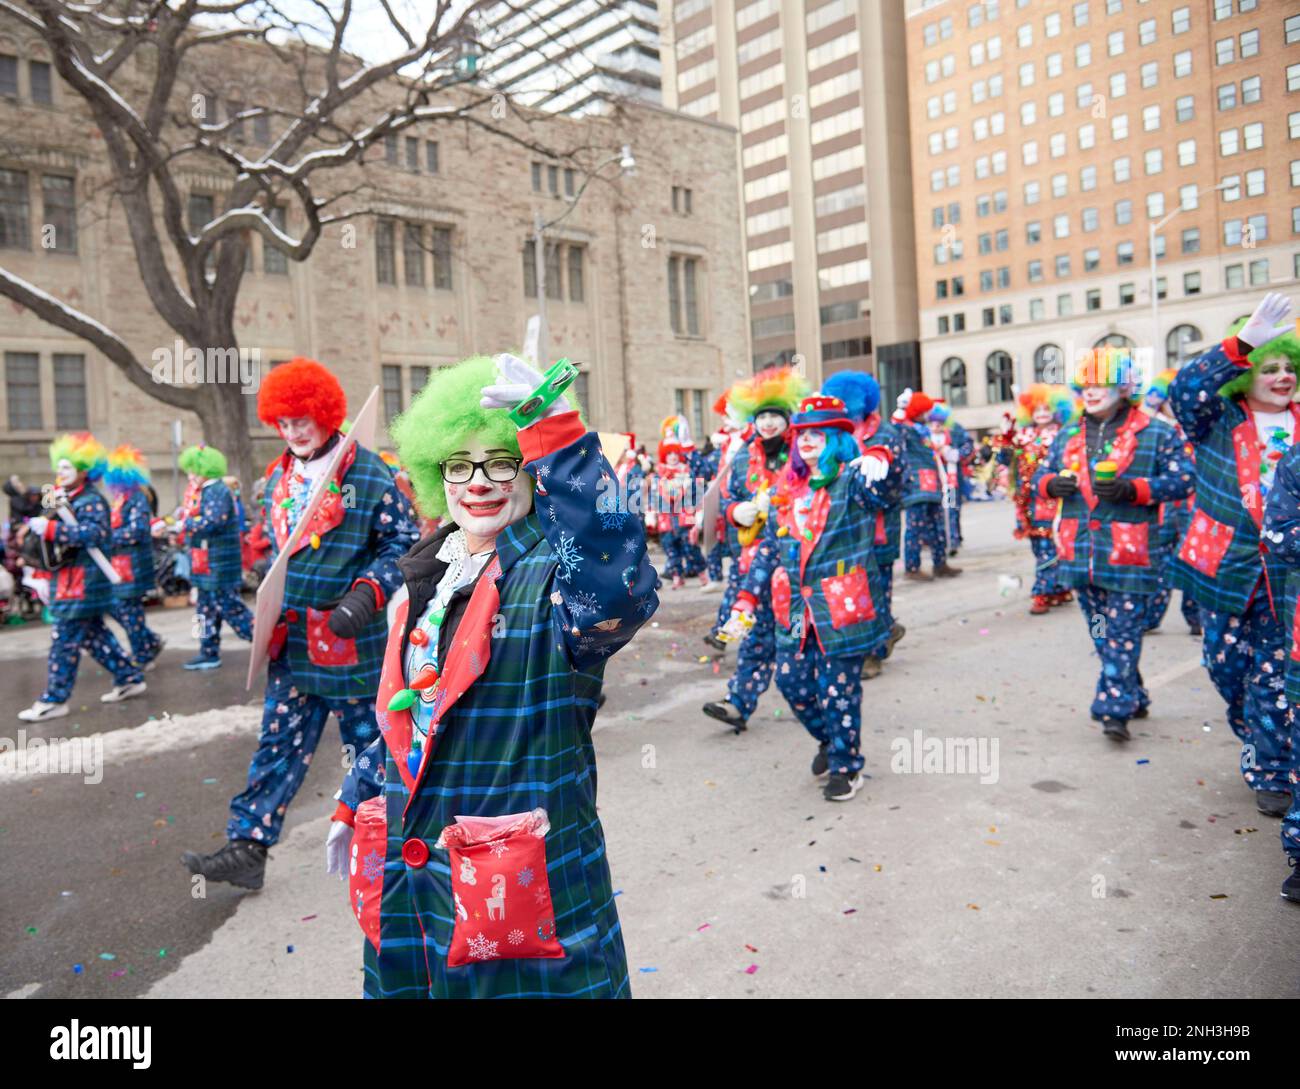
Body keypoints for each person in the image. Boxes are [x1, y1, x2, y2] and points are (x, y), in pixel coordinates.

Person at [323, 353, 658, 997]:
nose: (478, 481)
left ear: (530, 471)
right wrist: (358, 791)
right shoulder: (428, 573)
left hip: (523, 904)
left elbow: (619, 587)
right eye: (458, 464)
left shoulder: (552, 580)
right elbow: (417, 713)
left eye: (500, 462)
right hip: (414, 895)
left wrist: (563, 444)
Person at [182, 358, 418, 890]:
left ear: (325, 412)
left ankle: (398, 848)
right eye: (283, 423)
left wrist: (367, 594)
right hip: (295, 641)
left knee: (372, 748)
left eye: (301, 420)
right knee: (279, 743)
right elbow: (277, 549)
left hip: (353, 641)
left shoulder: (367, 472)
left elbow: (402, 544)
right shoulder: (278, 476)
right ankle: (248, 844)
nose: (292, 432)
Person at [723, 394, 893, 800]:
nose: (807, 441)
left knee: (839, 690)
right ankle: (830, 741)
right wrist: (746, 599)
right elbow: (768, 549)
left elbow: (888, 487)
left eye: (819, 434)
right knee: (791, 682)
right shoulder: (788, 490)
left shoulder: (853, 480)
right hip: (795, 609)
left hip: (841, 605)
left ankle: (847, 765)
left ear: (836, 439)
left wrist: (881, 453)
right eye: (803, 435)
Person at [1170, 292, 1299, 815]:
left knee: (1272, 675)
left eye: (1289, 366)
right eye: (1271, 367)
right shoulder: (1216, 418)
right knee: (1225, 666)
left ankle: (1271, 768)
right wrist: (1242, 343)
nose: (1283, 376)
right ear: (1248, 374)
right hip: (1226, 566)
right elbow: (1186, 389)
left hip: (1285, 574)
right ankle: (1259, 736)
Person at [1033, 347, 1194, 740]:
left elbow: (1184, 479)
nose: (1092, 391)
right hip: (1080, 554)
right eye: (1087, 383)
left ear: (1123, 387)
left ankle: (1113, 709)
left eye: (1102, 382)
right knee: (1103, 631)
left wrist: (1134, 489)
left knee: (1121, 631)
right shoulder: (1068, 433)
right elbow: (1040, 475)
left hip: (1128, 554)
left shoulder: (1156, 430)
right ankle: (1132, 692)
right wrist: (1051, 484)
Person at [701, 365, 809, 732]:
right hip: (755, 560)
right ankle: (738, 702)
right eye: (761, 415)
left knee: (798, 638)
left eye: (774, 416)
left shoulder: (804, 450)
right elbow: (727, 497)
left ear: (786, 418)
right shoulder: (745, 455)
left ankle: (817, 705)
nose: (767, 423)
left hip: (796, 563)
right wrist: (735, 511)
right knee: (755, 636)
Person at [17, 434, 147, 721]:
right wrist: (39, 520)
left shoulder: (91, 499)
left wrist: (51, 530)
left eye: (67, 467)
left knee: (64, 639)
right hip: (66, 578)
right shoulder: (61, 493)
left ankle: (55, 699)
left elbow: (96, 533)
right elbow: (43, 513)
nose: (61, 472)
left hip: (84, 581)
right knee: (93, 635)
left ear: (84, 470)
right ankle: (129, 677)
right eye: (59, 467)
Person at [822, 370, 907, 678]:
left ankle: (874, 653)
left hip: (879, 530)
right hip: (844, 531)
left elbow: (899, 481)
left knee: (877, 590)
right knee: (854, 590)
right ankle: (883, 633)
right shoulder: (834, 434)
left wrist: (872, 486)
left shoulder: (885, 434)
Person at [991, 384, 1076, 615]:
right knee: (1040, 546)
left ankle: (1042, 592)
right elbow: (1004, 457)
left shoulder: (1063, 434)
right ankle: (1058, 586)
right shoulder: (1023, 435)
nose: (1041, 413)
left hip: (1053, 496)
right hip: (1027, 499)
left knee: (1051, 543)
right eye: (1036, 409)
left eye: (1046, 408)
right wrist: (1006, 435)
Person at [177, 444, 253, 670]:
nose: (190, 475)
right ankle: (206, 651)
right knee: (202, 612)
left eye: (193, 470)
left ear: (205, 470)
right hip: (204, 563)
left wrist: (185, 524)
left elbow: (212, 522)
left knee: (231, 607)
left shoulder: (217, 490)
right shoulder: (203, 492)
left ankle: (267, 643)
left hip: (219, 564)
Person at [1140, 370, 1201, 636]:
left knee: (1194, 560)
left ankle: (1196, 616)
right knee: (1159, 562)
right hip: (1164, 508)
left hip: (1195, 506)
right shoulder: (1156, 430)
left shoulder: (1201, 426)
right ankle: (1150, 616)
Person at [103, 445, 163, 670]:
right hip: (119, 566)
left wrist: (106, 537)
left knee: (131, 612)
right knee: (120, 609)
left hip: (133, 565)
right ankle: (150, 642)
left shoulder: (137, 497)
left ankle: (142, 654)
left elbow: (138, 530)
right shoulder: (119, 499)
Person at [898, 390, 960, 581]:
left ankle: (940, 564)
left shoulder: (924, 430)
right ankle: (912, 567)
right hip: (916, 485)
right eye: (924, 411)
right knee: (915, 527)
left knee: (938, 525)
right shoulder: (905, 429)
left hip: (933, 484)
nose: (927, 415)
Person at [927, 402, 973, 557]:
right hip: (932, 481)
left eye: (939, 423)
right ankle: (938, 541)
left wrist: (955, 454)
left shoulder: (954, 432)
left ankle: (952, 540)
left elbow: (968, 446)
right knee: (935, 512)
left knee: (952, 509)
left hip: (950, 481)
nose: (936, 426)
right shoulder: (924, 436)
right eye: (932, 423)